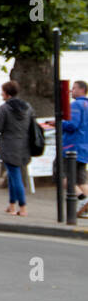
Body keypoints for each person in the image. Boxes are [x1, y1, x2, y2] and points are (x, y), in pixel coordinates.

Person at [0, 80, 32, 216]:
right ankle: (12, 205)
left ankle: (23, 207)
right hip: (24, 145)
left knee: (15, 177)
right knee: (14, 175)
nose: (1, 94)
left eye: (2, 91)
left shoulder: (4, 108)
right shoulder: (28, 107)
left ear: (7, 93)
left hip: (9, 145)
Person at [62, 79, 88, 214]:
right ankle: (86, 208)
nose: (71, 91)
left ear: (82, 90)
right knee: (81, 178)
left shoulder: (76, 105)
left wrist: (59, 123)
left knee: (61, 175)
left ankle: (82, 198)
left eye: (74, 88)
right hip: (85, 147)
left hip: (72, 146)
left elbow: (72, 125)